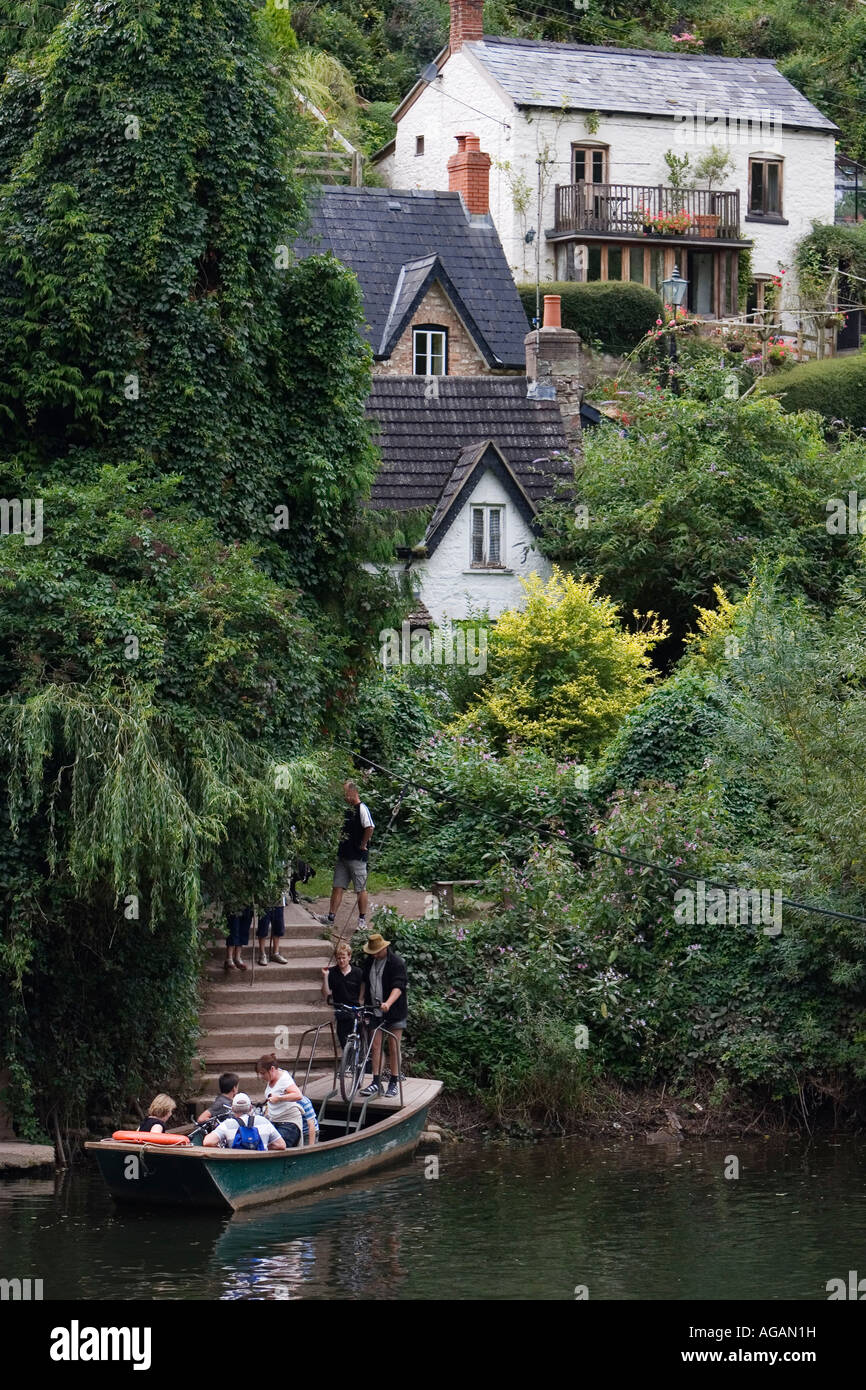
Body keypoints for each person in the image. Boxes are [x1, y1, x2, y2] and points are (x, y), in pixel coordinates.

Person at [319, 781, 374, 932]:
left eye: (345, 793)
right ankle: (330, 917)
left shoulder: (362, 808)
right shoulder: (347, 810)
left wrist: (363, 844)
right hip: (343, 856)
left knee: (360, 889)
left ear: (352, 792)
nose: (344, 796)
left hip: (357, 857)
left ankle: (362, 920)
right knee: (337, 886)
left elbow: (370, 827)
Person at [359, 932, 408, 1099]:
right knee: (376, 1046)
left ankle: (394, 1081)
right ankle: (376, 1081)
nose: (373, 954)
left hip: (394, 1011)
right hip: (374, 1010)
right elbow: (365, 982)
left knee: (394, 1046)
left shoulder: (397, 963)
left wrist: (388, 1002)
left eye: (376, 951)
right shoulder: (369, 962)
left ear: (384, 948)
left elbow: (399, 986)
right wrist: (361, 1000)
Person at [202, 1093, 285, 1151]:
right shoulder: (264, 1122)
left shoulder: (227, 1125)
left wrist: (223, 1149)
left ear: (233, 1109)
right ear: (250, 1108)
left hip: (237, 1165)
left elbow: (207, 1142)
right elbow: (281, 1145)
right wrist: (264, 1146)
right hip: (261, 1165)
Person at [321, 942, 363, 1051]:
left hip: (355, 1011)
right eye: (338, 958)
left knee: (359, 1038)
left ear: (349, 957)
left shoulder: (358, 972)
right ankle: (347, 1062)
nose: (341, 961)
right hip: (341, 1011)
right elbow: (326, 994)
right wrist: (325, 977)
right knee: (343, 1041)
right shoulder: (332, 972)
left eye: (344, 958)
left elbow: (362, 993)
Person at [257, 1053, 304, 1148]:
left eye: (263, 1073)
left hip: (289, 1123)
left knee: (272, 1145)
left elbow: (298, 1095)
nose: (261, 1076)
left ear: (272, 1069)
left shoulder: (284, 1079)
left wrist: (279, 1098)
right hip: (274, 1121)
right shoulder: (272, 1077)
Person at [256, 899, 288, 968]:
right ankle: (262, 954)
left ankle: (275, 953)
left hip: (279, 903)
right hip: (264, 902)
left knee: (278, 927)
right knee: (263, 928)